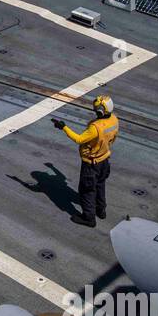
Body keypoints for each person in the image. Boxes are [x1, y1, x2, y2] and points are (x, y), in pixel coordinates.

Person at [52, 94, 119, 228]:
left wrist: (63, 127)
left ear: (100, 111)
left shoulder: (95, 128)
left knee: (87, 190)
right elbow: (114, 138)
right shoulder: (114, 120)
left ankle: (89, 218)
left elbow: (79, 139)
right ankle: (101, 210)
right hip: (105, 159)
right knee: (100, 185)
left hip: (91, 163)